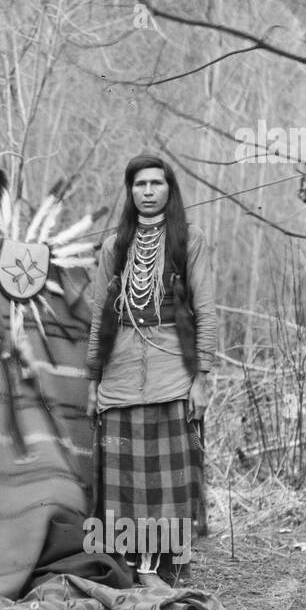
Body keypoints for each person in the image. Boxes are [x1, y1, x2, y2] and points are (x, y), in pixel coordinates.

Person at [84, 153, 217, 583]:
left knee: (169, 483)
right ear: (130, 191)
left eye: (156, 184)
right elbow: (99, 316)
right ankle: (124, 568)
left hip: (172, 374)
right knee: (121, 483)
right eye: (139, 184)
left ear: (169, 189)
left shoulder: (189, 241)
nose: (147, 191)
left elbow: (206, 312)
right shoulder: (114, 247)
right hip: (119, 375)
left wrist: (201, 378)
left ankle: (162, 567)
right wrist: (92, 381)